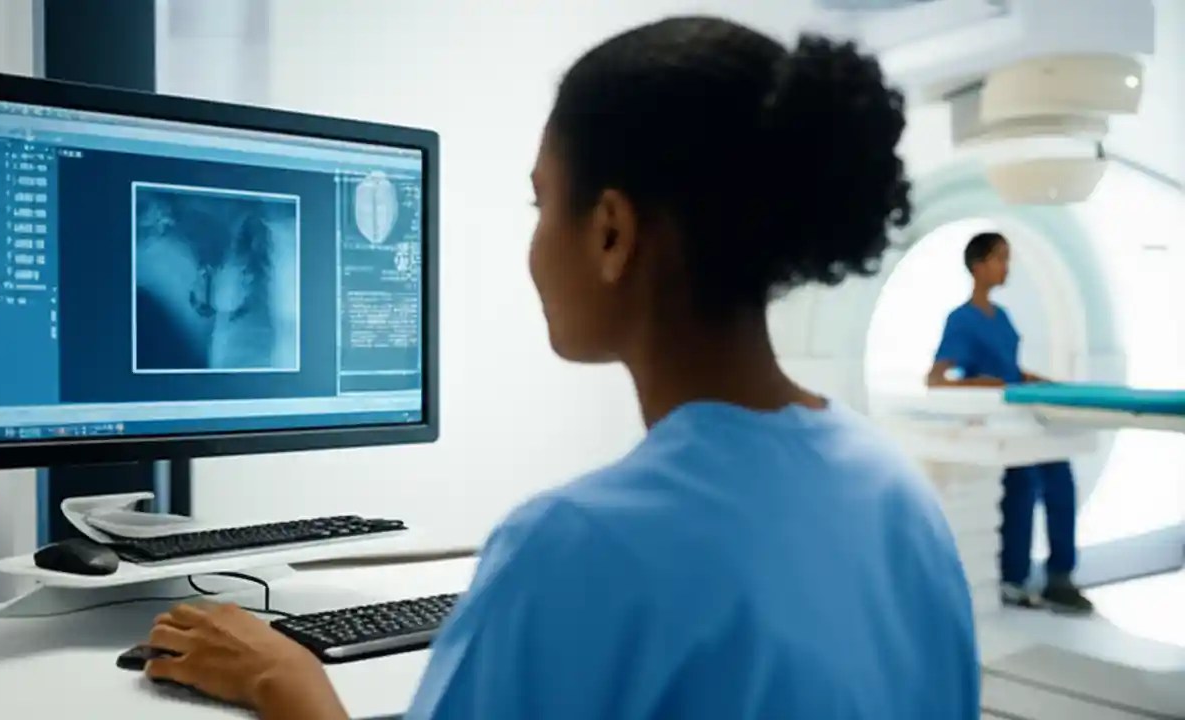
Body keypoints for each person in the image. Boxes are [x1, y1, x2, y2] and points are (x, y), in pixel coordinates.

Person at [140, 17, 980, 719]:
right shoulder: (899, 497)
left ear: (611, 232)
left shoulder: (578, 548)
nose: (534, 246)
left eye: (541, 203)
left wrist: (284, 682)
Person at [927, 232, 1094, 614]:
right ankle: (1012, 580)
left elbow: (1009, 368)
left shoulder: (1001, 317)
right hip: (995, 426)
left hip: (1024, 419)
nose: (1007, 266)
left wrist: (1039, 381)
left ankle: (1059, 579)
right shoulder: (961, 319)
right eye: (1000, 258)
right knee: (1025, 482)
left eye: (1007, 258)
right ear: (977, 265)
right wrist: (984, 384)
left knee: (1060, 475)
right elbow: (936, 378)